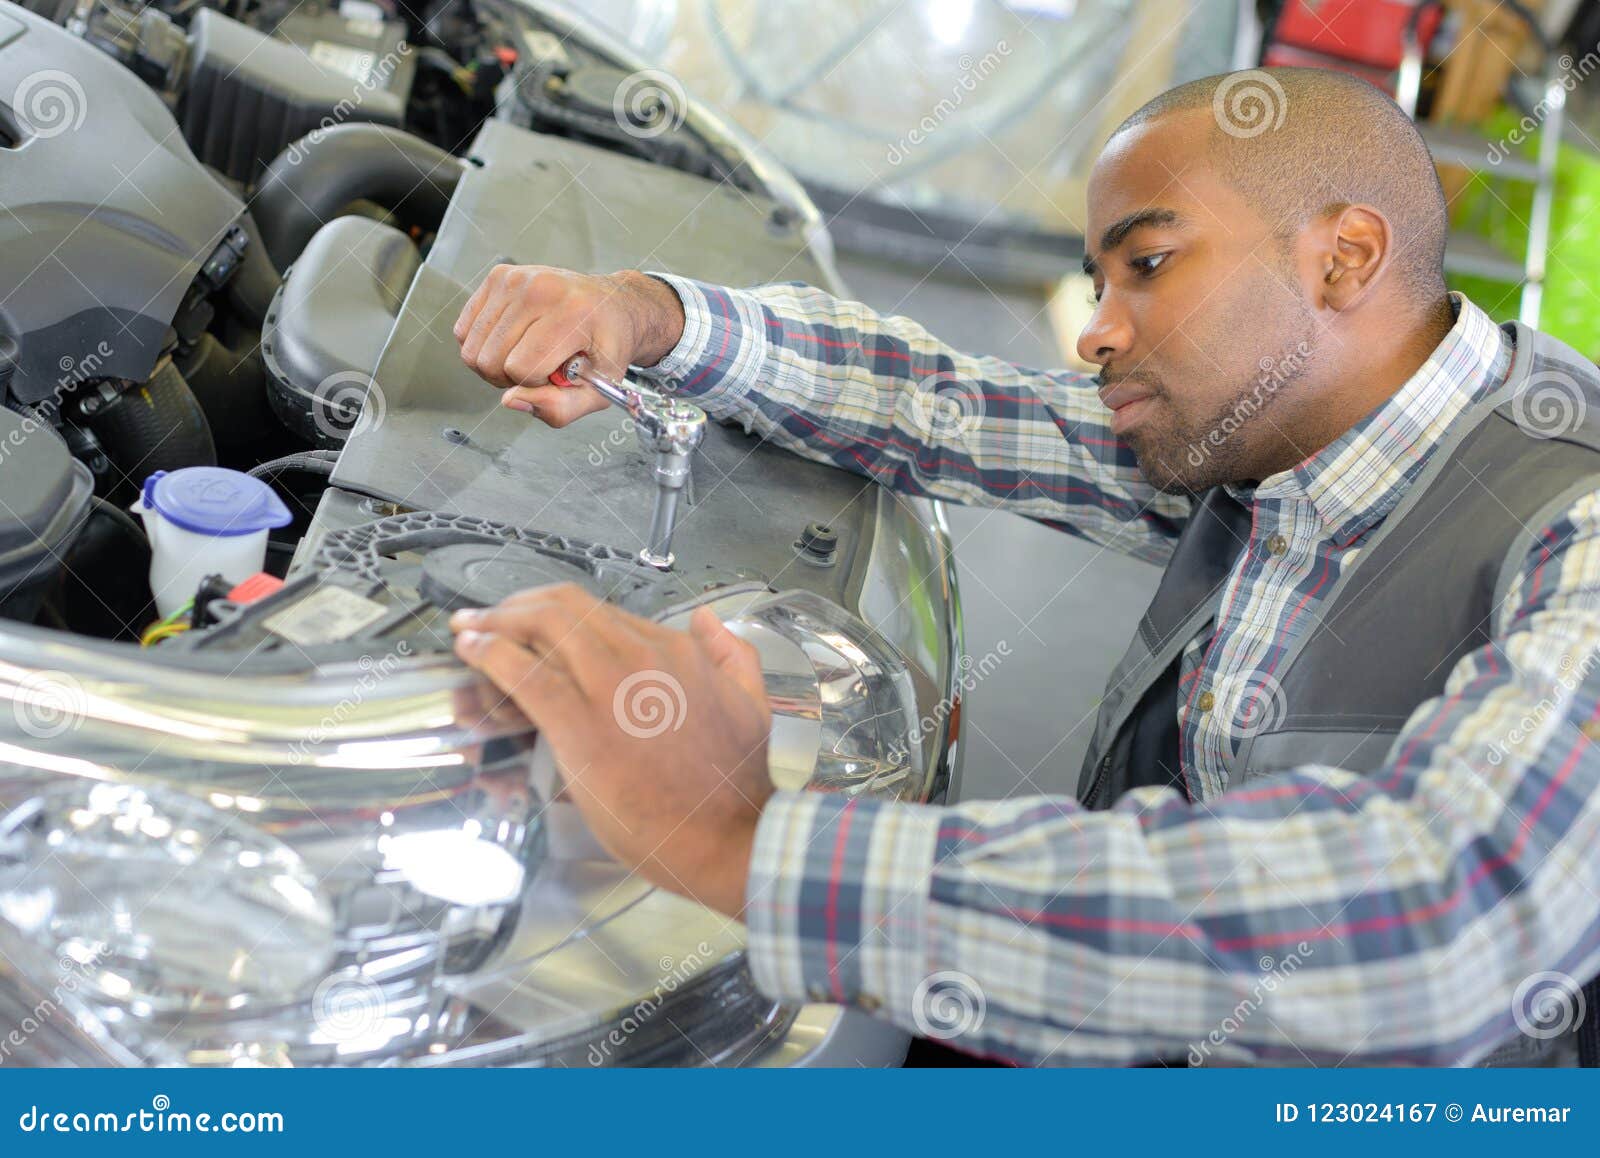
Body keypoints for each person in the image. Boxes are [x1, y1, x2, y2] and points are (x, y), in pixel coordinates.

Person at [447, 67, 1600, 1066]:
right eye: (1101, 282)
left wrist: (745, 842)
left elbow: (1448, 917)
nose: (1096, 329)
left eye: (1147, 263)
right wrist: (645, 316)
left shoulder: (1575, 524)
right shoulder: (1268, 431)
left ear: (1343, 257)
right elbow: (940, 406)